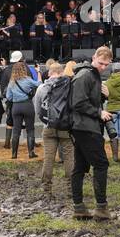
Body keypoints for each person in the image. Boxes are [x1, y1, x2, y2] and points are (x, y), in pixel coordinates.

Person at [69, 45, 114, 220]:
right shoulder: (85, 75)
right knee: (101, 164)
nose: (103, 67)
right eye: (101, 63)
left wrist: (103, 96)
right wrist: (99, 112)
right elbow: (78, 102)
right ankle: (101, 208)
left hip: (82, 126)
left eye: (106, 65)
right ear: (94, 57)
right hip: (86, 127)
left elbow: (87, 100)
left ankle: (79, 208)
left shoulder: (91, 75)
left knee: (79, 168)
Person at [35, 62, 73, 195]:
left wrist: (46, 121)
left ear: (49, 73)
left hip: (49, 126)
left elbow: (38, 110)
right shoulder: (69, 86)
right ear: (62, 72)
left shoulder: (42, 88)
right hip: (66, 127)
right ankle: (70, 187)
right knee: (69, 157)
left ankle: (47, 188)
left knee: (48, 157)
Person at [4, 60, 40, 159]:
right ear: (24, 69)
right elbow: (39, 84)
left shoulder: (11, 82)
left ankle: (14, 154)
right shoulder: (28, 80)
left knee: (16, 130)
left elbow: (9, 97)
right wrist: (38, 72)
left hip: (16, 107)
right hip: (27, 105)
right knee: (30, 130)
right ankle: (31, 153)